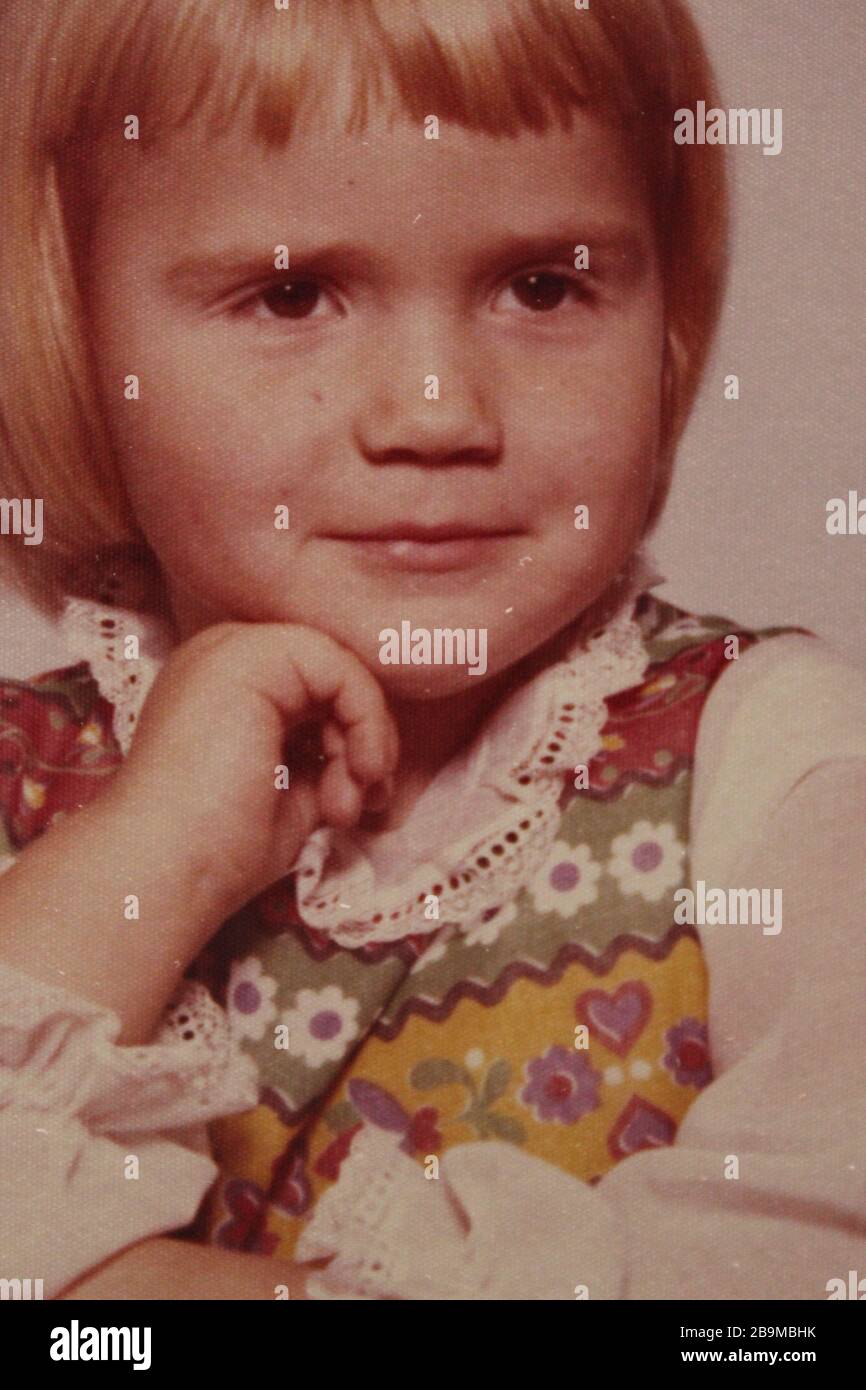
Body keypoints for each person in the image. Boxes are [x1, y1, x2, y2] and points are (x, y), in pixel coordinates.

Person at [0, 0, 864, 1301]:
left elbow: (807, 1275)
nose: (436, 410)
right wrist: (151, 853)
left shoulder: (781, 768)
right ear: (72, 331)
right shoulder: (27, 781)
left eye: (542, 284)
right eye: (291, 292)